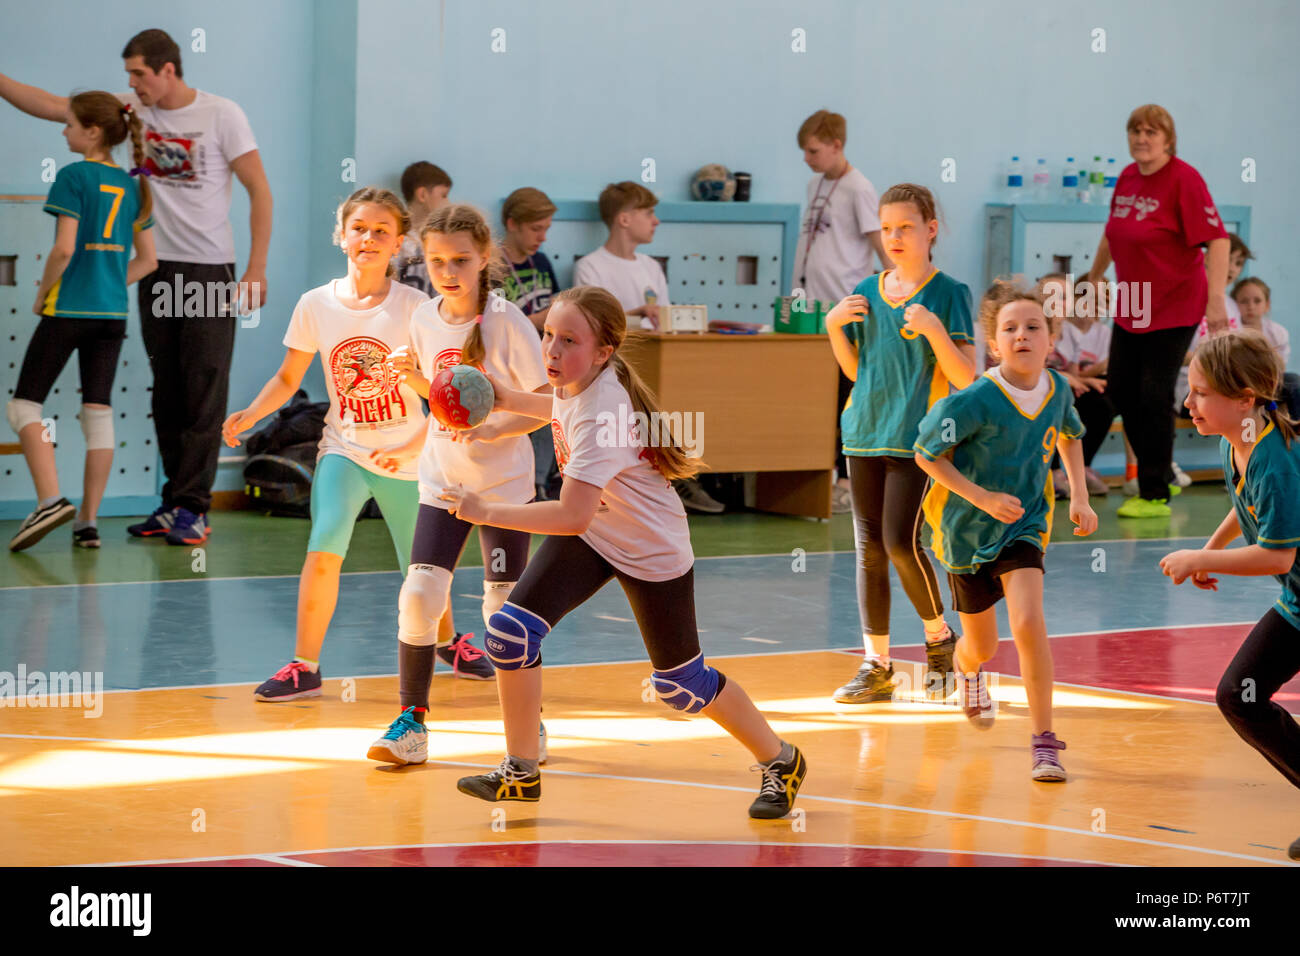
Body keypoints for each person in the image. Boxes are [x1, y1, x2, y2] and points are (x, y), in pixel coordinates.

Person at [439, 286, 807, 819]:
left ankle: (782, 759)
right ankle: (520, 771)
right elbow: (562, 413)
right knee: (510, 634)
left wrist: (485, 510)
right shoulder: (579, 383)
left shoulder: (602, 406)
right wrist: (506, 396)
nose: (553, 351)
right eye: (548, 336)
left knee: (682, 686)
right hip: (598, 535)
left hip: (648, 549)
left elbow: (569, 516)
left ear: (604, 352)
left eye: (569, 341)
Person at [0, 29, 273, 546]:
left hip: (208, 269)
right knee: (166, 389)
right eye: (128, 74)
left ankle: (195, 507)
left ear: (168, 70)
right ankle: (171, 502)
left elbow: (260, 190)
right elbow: (51, 105)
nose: (131, 83)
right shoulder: (132, 111)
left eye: (138, 73)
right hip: (156, 269)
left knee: (203, 386)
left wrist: (256, 268)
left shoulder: (222, 114)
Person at [221, 188, 427, 701]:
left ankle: (448, 640)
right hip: (345, 449)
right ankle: (304, 665)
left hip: (410, 454)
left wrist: (416, 436)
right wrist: (251, 412)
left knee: (421, 568)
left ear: (399, 242)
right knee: (324, 548)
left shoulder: (417, 307)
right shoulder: (316, 304)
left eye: (382, 230)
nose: (370, 238)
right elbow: (289, 378)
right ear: (342, 236)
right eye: (360, 227)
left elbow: (438, 388)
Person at [365, 203, 551, 762]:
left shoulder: (508, 322)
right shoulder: (423, 318)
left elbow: (546, 406)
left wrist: (494, 430)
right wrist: (414, 378)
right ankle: (411, 724)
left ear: (484, 258)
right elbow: (447, 400)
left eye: (461, 260)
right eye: (438, 260)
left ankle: (528, 723)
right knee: (419, 599)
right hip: (441, 483)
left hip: (502, 492)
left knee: (502, 614)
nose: (449, 271)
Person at [914, 279, 1098, 781]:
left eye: (1033, 327)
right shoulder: (975, 400)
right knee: (983, 647)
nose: (1022, 335)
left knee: (1027, 622)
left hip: (1025, 525)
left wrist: (1079, 495)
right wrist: (981, 497)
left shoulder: (1058, 390)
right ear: (994, 343)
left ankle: (1044, 741)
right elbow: (926, 454)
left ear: (1050, 338)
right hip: (965, 531)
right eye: (1009, 328)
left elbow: (1071, 437)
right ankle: (968, 670)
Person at [822, 183, 974, 705]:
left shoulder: (949, 293)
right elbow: (856, 370)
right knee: (868, 551)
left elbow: (966, 375)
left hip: (918, 441)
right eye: (887, 228)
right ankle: (877, 663)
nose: (894, 237)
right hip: (863, 432)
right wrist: (832, 326)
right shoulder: (866, 290)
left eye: (906, 227)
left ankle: (939, 640)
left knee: (900, 543)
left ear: (931, 229)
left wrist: (934, 330)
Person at [1159, 329, 1300, 860]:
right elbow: (1246, 507)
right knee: (1239, 695)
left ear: (1245, 399)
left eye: (1200, 393)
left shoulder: (1277, 460)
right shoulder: (1235, 440)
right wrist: (1211, 545)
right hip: (1298, 604)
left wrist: (1202, 560)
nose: (1187, 403)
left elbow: (1275, 555)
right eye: (1189, 390)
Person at [6, 92, 156, 551]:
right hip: (112, 315)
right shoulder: (134, 185)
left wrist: (41, 293)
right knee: (98, 413)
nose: (63, 130)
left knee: (23, 407)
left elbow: (64, 249)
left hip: (68, 309)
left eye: (69, 124)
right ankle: (87, 524)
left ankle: (50, 500)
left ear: (93, 132)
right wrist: (112, 282)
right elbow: (147, 261)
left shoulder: (72, 177)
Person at [1085, 104, 1228, 519]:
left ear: (1168, 139)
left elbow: (1217, 241)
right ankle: (1161, 469)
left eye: (1151, 131)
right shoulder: (1128, 178)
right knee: (1122, 389)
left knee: (1153, 392)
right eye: (1135, 130)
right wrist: (1094, 275)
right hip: (1133, 302)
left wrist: (1216, 298)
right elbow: (1114, 232)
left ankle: (1154, 491)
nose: (1142, 138)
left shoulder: (1184, 179)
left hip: (1176, 302)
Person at [574, 182, 723, 515]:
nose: (655, 221)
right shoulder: (591, 266)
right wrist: (635, 313)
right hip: (620, 366)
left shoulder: (651, 267)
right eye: (648, 213)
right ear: (624, 219)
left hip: (661, 361)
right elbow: (591, 323)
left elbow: (665, 320)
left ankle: (675, 472)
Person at [794, 110, 892, 514]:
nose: (808, 158)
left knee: (844, 395)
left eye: (814, 150)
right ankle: (817, 474)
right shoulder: (816, 184)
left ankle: (848, 477)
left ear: (837, 146)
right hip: (810, 307)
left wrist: (899, 285)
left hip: (845, 310)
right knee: (814, 397)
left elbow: (880, 244)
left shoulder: (859, 188)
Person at [499, 187, 562, 500]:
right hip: (511, 360)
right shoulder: (494, 264)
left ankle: (542, 481)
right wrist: (538, 319)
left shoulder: (542, 262)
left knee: (552, 407)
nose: (543, 237)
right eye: (536, 229)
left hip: (547, 354)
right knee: (525, 410)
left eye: (546, 228)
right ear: (513, 224)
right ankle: (528, 481)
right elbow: (494, 321)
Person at [1039, 274, 1112, 497]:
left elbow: (1072, 376)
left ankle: (1079, 468)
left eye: (1063, 298)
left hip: (1060, 387)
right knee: (1053, 401)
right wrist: (1067, 378)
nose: (1058, 303)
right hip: (1037, 388)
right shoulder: (1036, 326)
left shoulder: (1069, 333)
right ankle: (1050, 471)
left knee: (1100, 404)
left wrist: (1083, 381)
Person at [394, 161, 452, 296]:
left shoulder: (444, 240)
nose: (448, 202)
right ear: (422, 195)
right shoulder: (396, 239)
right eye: (444, 195)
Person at [1234, 278, 1290, 366]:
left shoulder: (1277, 332)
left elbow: (1281, 364)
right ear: (1233, 304)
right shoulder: (1230, 331)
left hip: (1270, 375)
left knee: (1293, 378)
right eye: (1244, 301)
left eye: (1257, 301)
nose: (1251, 307)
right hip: (1240, 376)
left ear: (1267, 305)